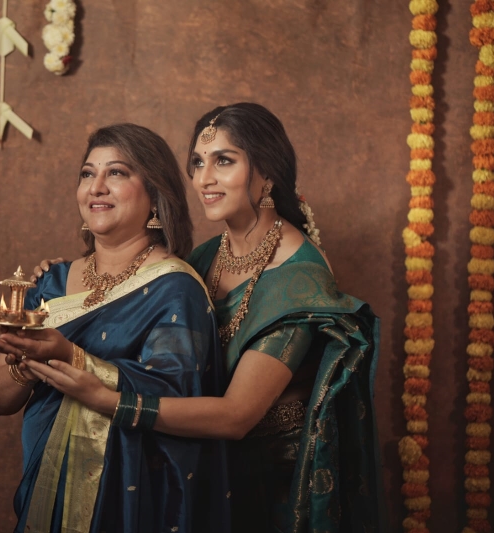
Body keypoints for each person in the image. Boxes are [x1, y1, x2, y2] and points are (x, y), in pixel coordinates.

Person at [24, 103, 383, 532]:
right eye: (197, 162)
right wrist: (61, 290)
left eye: (224, 161)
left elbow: (236, 416)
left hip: (269, 483)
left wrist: (108, 400)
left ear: (267, 174)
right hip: (195, 467)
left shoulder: (300, 279)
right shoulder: (208, 255)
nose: (203, 179)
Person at [0, 123, 231, 533]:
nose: (96, 187)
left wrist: (70, 357)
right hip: (49, 484)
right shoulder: (51, 281)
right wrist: (25, 363)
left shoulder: (176, 289)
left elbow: (174, 396)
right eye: (87, 174)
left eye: (116, 173)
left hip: (129, 501)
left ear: (155, 195)